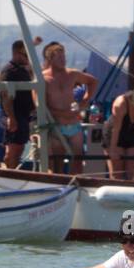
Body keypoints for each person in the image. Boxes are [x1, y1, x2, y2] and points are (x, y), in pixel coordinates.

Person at [42, 41, 96, 174]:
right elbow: (39, 104)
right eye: (59, 58)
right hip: (56, 125)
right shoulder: (43, 78)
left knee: (78, 160)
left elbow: (93, 81)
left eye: (64, 57)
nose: (63, 60)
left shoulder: (72, 74)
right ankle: (58, 186)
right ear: (50, 59)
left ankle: (75, 184)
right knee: (57, 163)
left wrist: (85, 101)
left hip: (73, 124)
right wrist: (60, 113)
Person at [0, 39, 37, 169]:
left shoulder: (21, 69)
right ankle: (9, 172)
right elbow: (5, 96)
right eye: (25, 55)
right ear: (16, 54)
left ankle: (11, 170)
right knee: (13, 149)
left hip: (22, 114)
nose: (28, 58)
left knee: (19, 147)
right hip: (14, 114)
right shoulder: (9, 71)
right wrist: (11, 118)